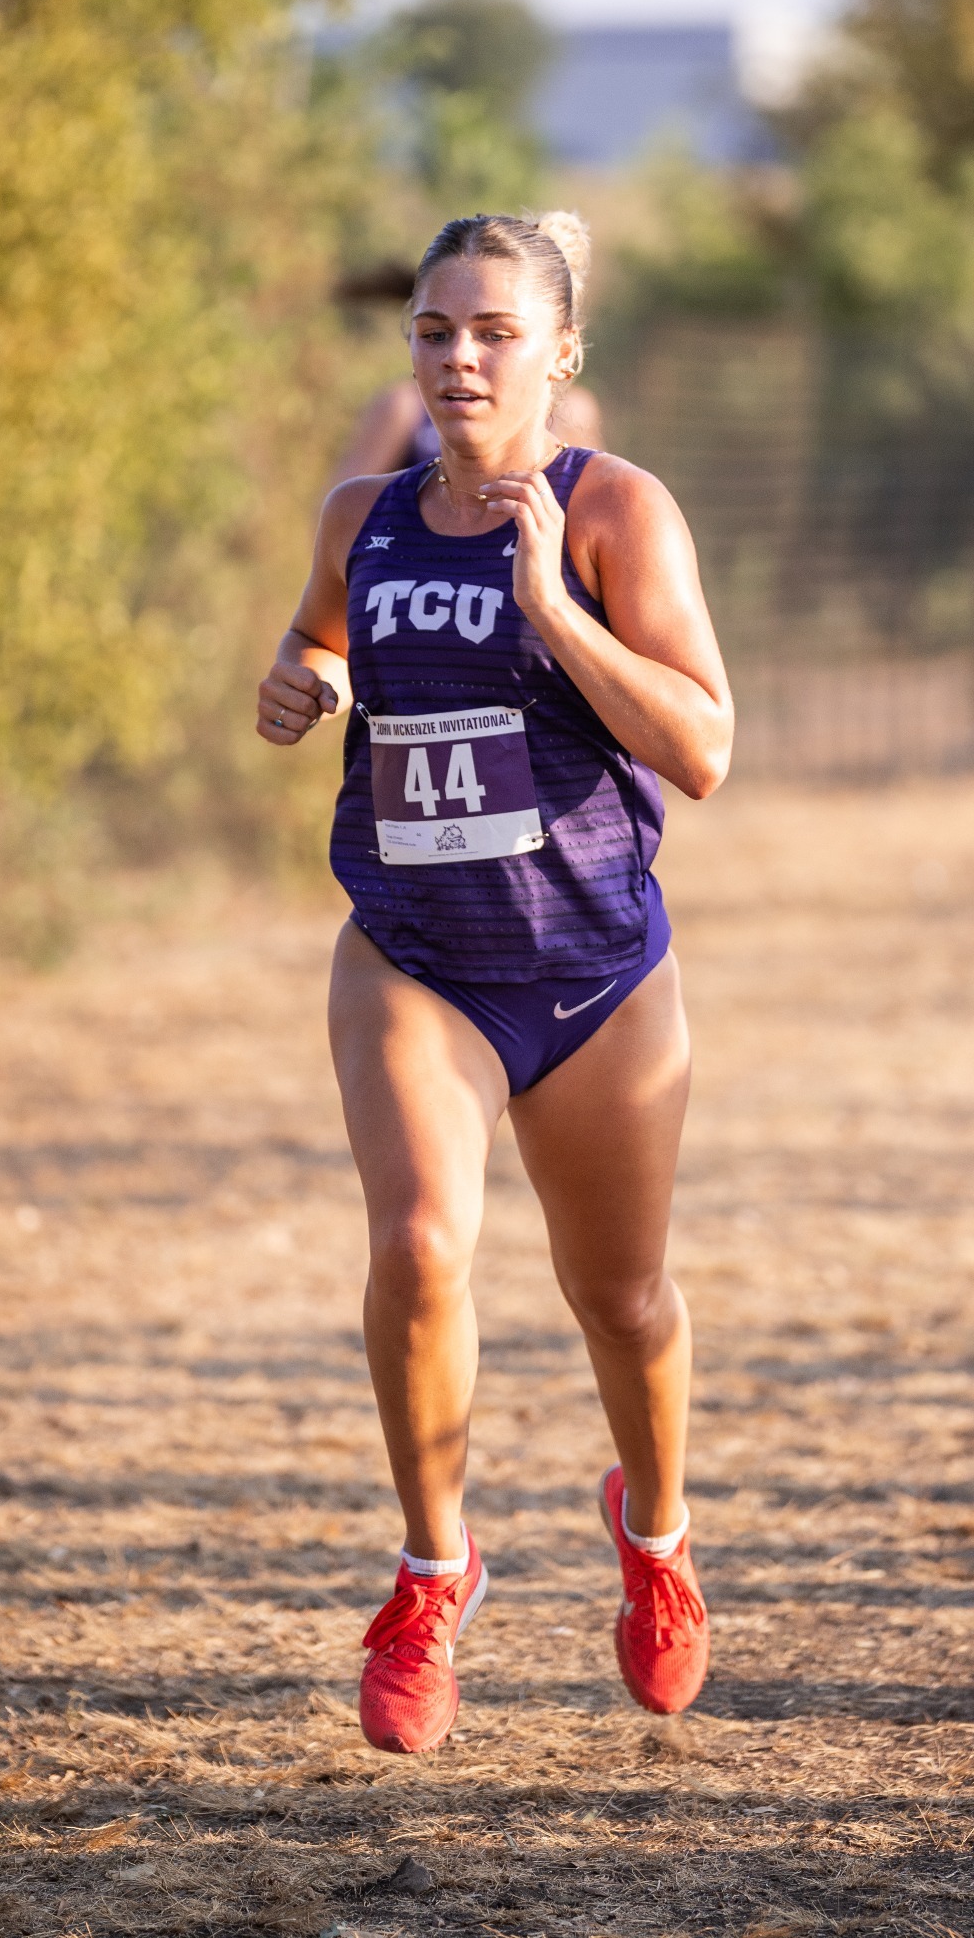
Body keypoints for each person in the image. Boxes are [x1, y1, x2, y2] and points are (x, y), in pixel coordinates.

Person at [256, 210, 733, 1754]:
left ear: (561, 353)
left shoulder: (616, 512)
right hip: (416, 955)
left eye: (493, 332)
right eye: (434, 330)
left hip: (593, 974)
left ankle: (655, 1540)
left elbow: (704, 749)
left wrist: (550, 611)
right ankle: (432, 1572)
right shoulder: (363, 515)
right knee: (417, 1244)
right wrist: (305, 677)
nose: (458, 358)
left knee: (622, 1298)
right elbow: (323, 639)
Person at [335, 371, 605, 479]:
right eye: (437, 335)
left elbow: (594, 514)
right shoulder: (405, 406)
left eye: (497, 335)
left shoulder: (572, 410)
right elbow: (347, 511)